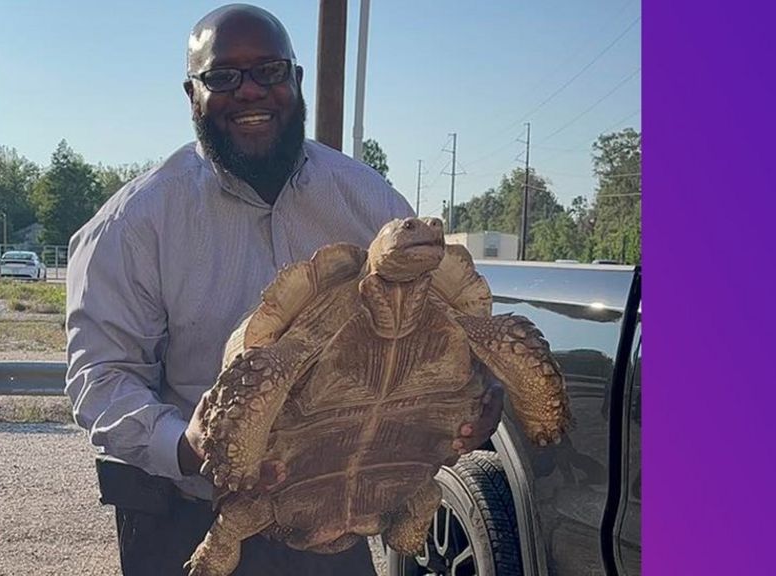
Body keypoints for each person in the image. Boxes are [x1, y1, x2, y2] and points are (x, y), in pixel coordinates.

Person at [65, 4, 504, 575]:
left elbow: (446, 321)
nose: (250, 91)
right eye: (223, 77)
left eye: (269, 71)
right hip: (189, 517)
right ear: (191, 94)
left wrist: (481, 390)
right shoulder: (133, 224)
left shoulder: (368, 203)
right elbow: (100, 379)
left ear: (296, 81)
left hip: (342, 509)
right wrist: (190, 447)